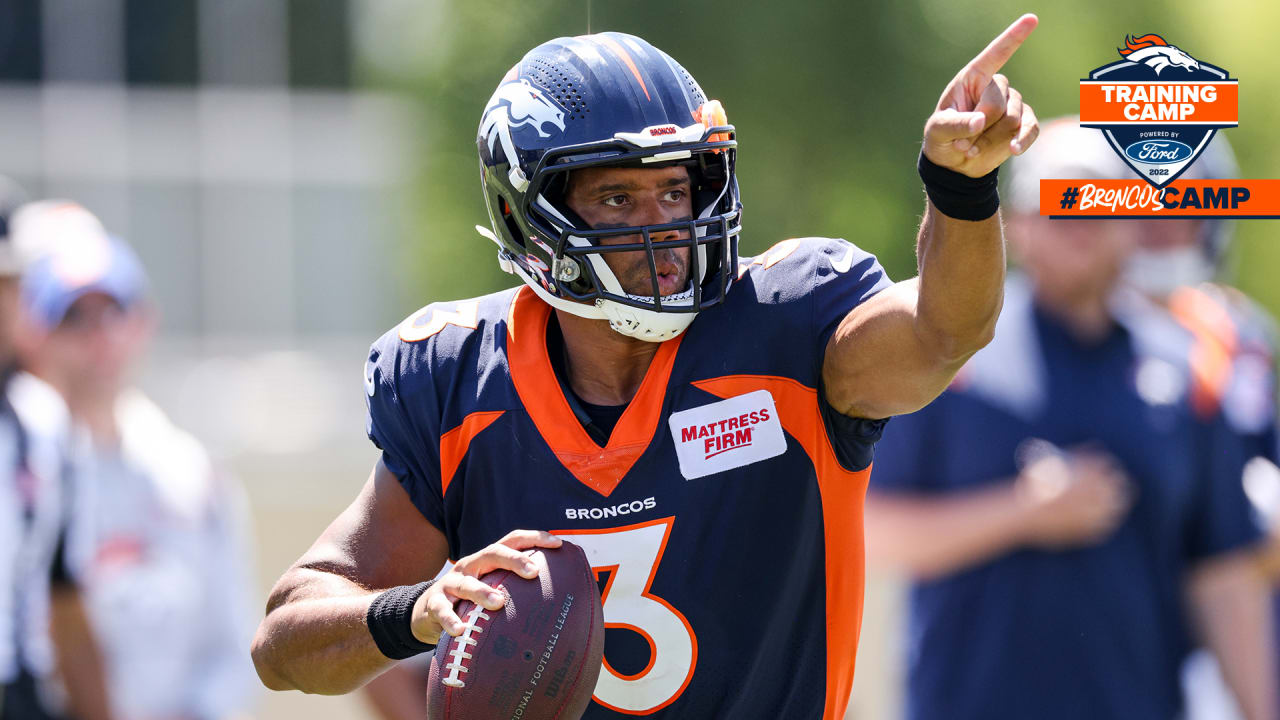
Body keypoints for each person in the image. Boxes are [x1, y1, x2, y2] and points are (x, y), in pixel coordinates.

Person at [252, 19, 1040, 719]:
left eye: (675, 188)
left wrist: (961, 188)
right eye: (620, 200)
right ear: (532, 215)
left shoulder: (786, 327)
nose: (664, 228)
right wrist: (415, 611)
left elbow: (944, 332)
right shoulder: (460, 378)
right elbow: (283, 644)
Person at [864, 118, 1276, 720]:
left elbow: (1224, 574)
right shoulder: (951, 356)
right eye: (1061, 203)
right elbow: (874, 530)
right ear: (1019, 225)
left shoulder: (1190, 371)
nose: (1082, 226)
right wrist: (1023, 513)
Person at [14, 203, 258, 720]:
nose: (100, 336)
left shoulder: (192, 473)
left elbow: (233, 642)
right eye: (73, 316)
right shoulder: (22, 471)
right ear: (31, 332)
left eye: (115, 311)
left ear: (145, 320)